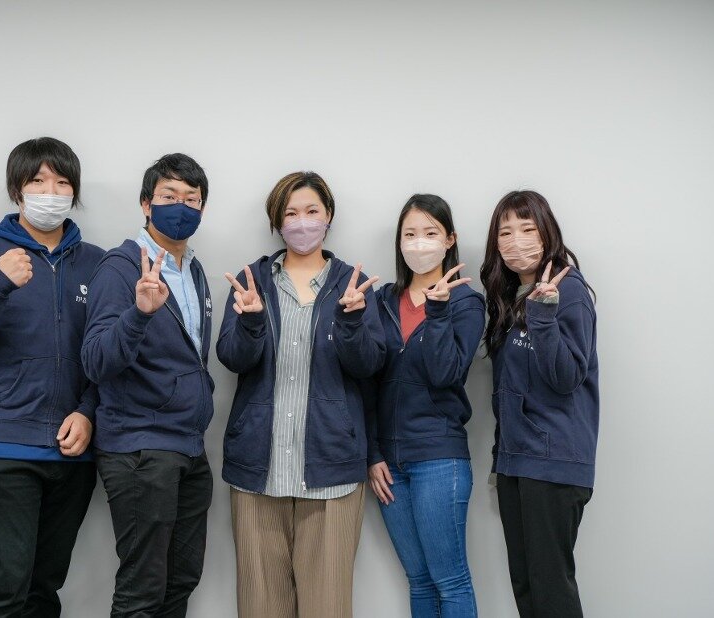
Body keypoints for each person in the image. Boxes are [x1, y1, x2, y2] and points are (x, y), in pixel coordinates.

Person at [0, 136, 103, 617]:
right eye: (37, 181)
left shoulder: (97, 262)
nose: (51, 192)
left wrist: (88, 412)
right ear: (17, 190)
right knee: (3, 590)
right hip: (5, 446)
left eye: (62, 182)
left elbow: (107, 353)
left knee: (43, 591)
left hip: (73, 451)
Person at [217, 171, 386, 618]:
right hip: (258, 470)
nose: (302, 222)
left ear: (328, 216)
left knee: (327, 608)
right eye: (291, 213)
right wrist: (251, 322)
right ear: (277, 221)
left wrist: (352, 323)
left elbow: (369, 366)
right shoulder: (251, 280)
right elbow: (231, 358)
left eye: (312, 211)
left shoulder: (353, 284)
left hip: (332, 470)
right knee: (260, 608)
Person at [81, 153, 214, 617]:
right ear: (145, 204)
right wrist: (138, 314)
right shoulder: (120, 268)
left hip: (188, 447)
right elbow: (96, 361)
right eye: (169, 196)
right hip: (141, 447)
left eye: (191, 199)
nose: (181, 206)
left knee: (180, 582)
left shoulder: (193, 270)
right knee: (142, 590)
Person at [480, 190, 599, 618]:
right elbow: (509, 390)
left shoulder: (569, 290)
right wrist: (501, 459)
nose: (516, 240)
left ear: (547, 233)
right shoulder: (513, 295)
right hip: (516, 462)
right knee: (526, 586)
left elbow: (566, 378)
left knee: (551, 591)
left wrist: (545, 315)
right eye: (505, 232)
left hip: (553, 461)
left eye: (527, 229)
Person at [367, 194, 484, 617]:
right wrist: (372, 453)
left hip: (438, 457)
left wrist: (437, 312)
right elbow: (365, 380)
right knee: (418, 580)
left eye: (430, 232)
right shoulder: (382, 299)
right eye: (410, 234)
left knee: (450, 581)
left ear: (449, 239)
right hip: (388, 466)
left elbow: (445, 373)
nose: (419, 243)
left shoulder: (466, 302)